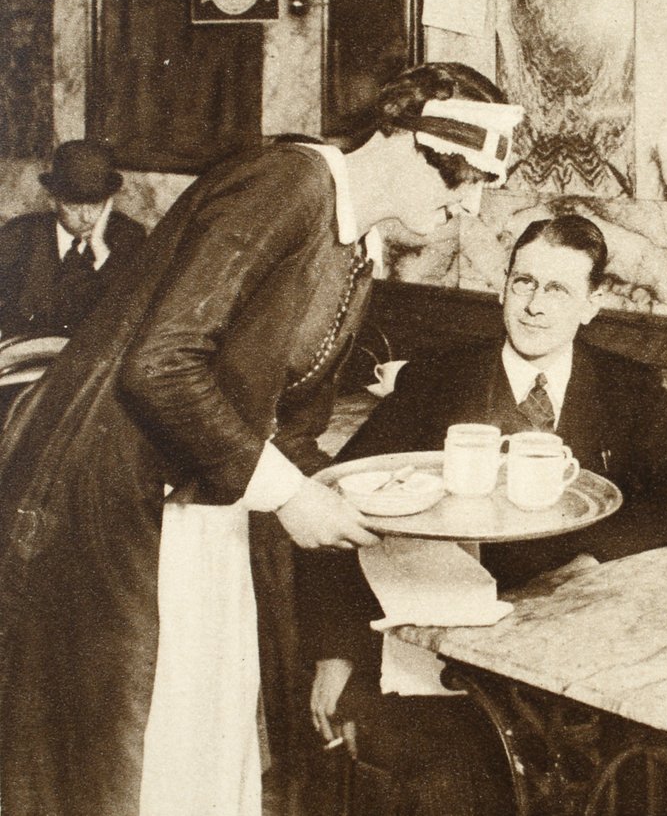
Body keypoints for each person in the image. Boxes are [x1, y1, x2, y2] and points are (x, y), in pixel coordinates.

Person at [0, 61, 524, 816]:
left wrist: (377, 506)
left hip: (200, 504)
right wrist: (288, 495)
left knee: (205, 743)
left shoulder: (355, 245)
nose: (469, 207)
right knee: (137, 760)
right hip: (118, 511)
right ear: (398, 140)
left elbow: (294, 425)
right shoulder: (291, 183)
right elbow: (161, 363)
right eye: (458, 179)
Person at [298, 215, 667, 812]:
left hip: (576, 655)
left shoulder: (627, 389)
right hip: (439, 660)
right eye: (524, 283)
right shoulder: (437, 382)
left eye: (557, 290)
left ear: (591, 303)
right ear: (503, 287)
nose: (534, 306)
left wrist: (593, 554)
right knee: (463, 787)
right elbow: (333, 504)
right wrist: (335, 653)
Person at [0, 139, 146, 338]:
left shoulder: (128, 237)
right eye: (74, 206)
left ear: (109, 202)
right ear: (52, 201)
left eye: (95, 204)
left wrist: (100, 250)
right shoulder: (20, 235)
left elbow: (128, 313)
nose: (86, 217)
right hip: (24, 357)